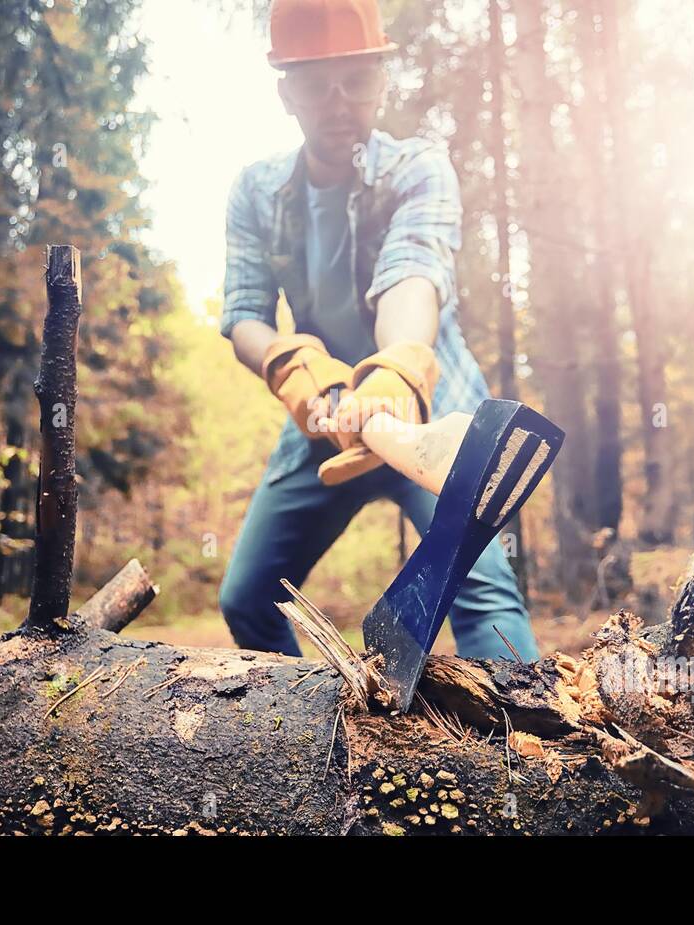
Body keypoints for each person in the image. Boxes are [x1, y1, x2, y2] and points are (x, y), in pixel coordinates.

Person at [217, 0, 538, 662]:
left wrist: (395, 370)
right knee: (246, 597)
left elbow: (413, 274)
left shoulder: (418, 168)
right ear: (286, 92)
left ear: (382, 81)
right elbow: (244, 311)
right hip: (324, 416)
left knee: (481, 590)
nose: (338, 102)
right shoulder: (253, 191)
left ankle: (535, 755)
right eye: (315, 82)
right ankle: (301, 737)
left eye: (356, 80)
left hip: (428, 414)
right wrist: (290, 366)